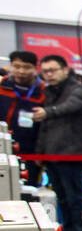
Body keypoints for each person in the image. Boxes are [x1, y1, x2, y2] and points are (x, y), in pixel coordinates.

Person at [32, 55, 82, 231]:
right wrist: (40, 152)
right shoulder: (50, 93)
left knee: (75, 197)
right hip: (53, 155)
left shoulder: (78, 91)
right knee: (63, 198)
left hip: (72, 154)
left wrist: (48, 112)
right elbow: (46, 126)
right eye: (45, 72)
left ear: (65, 70)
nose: (49, 75)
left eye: (53, 70)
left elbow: (70, 107)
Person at [1, 50, 44, 182]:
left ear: (35, 68)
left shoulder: (43, 92)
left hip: (29, 150)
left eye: (26, 67)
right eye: (17, 66)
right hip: (2, 146)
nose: (21, 71)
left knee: (29, 186)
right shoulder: (2, 86)